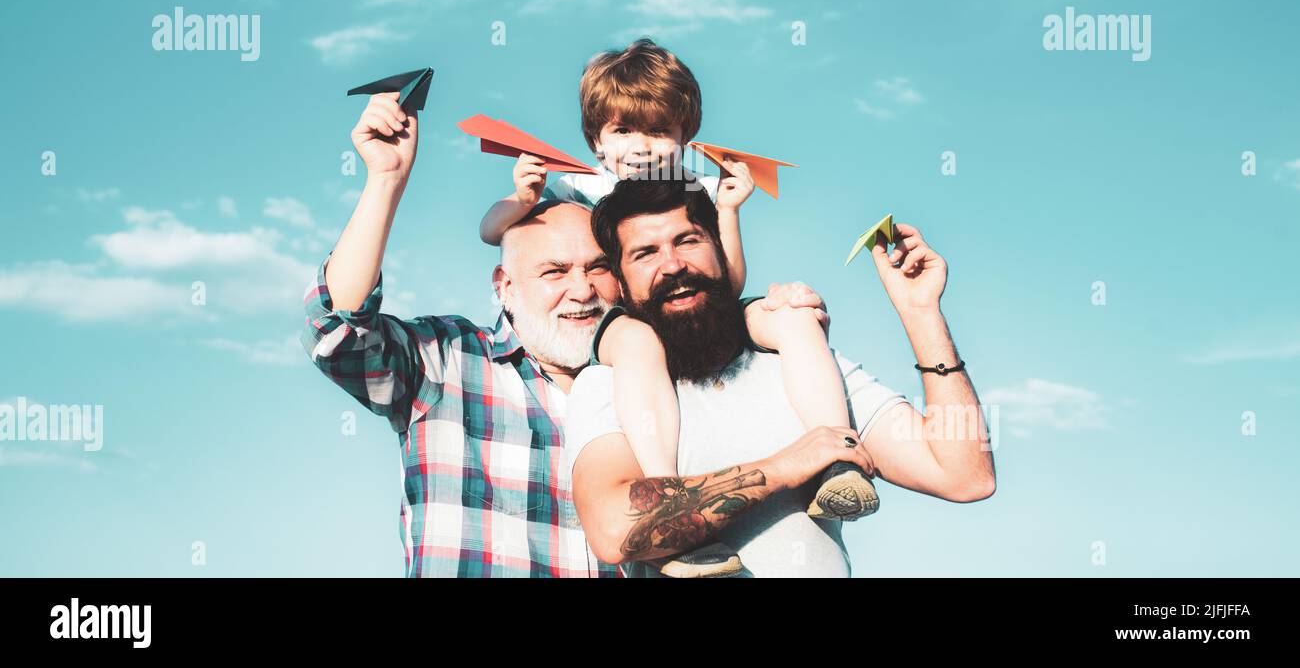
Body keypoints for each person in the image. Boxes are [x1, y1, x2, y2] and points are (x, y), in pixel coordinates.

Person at [298, 90, 823, 577]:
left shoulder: (664, 384)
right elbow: (339, 330)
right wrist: (386, 179)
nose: (580, 290)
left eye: (598, 268)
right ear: (502, 286)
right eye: (554, 271)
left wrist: (782, 319)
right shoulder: (447, 362)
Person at [476, 38, 879, 577]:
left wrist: (730, 211)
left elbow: (729, 283)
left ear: (685, 137)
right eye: (623, 130)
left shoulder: (702, 189)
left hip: (701, 313)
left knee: (796, 317)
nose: (640, 146)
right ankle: (670, 510)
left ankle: (836, 458)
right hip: (632, 322)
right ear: (597, 141)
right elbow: (490, 231)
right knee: (638, 344)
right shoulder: (580, 187)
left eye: (657, 130)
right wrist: (522, 200)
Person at [566, 177, 997, 577]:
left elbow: (964, 475)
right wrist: (788, 466)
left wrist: (920, 312)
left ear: (721, 250)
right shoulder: (607, 387)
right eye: (646, 253)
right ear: (620, 283)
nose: (674, 264)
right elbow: (612, 530)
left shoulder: (800, 363)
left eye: (688, 240)